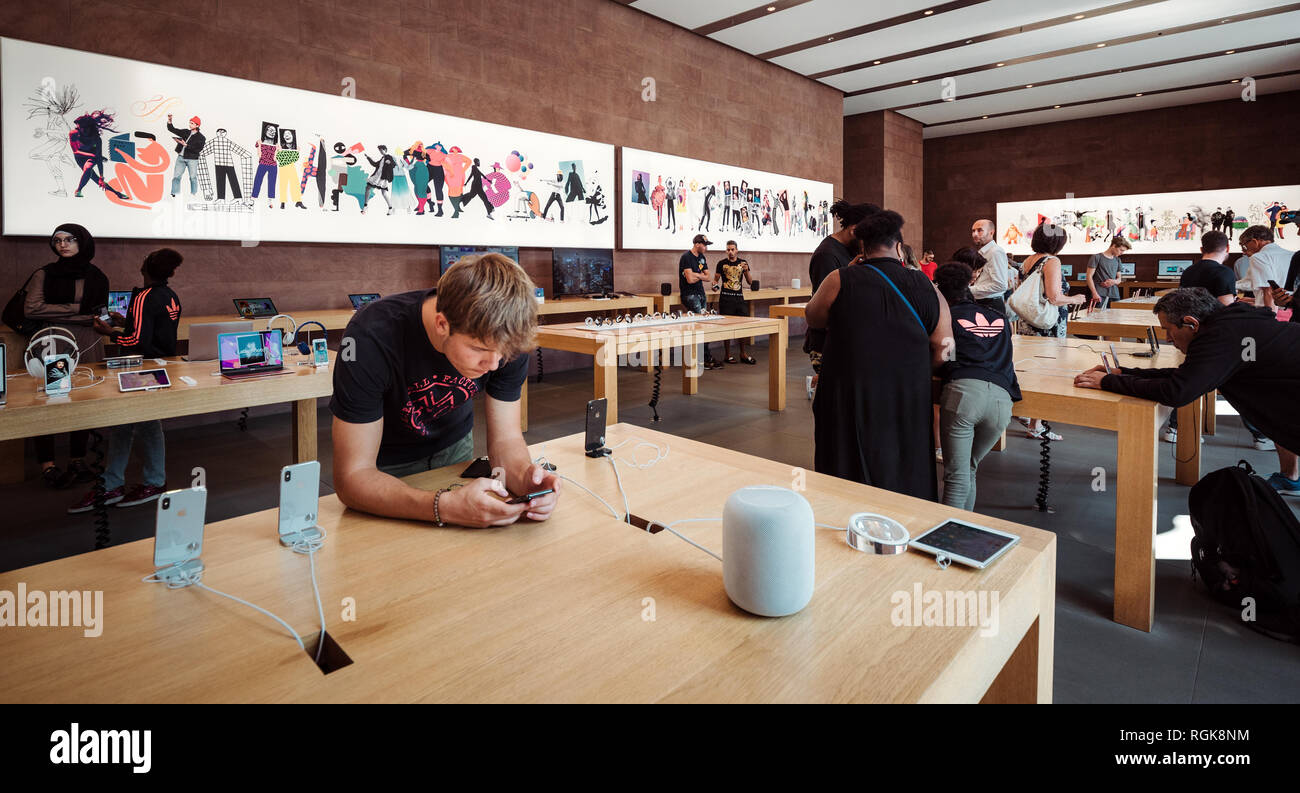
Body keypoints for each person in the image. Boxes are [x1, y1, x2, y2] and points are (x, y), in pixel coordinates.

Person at [329, 253, 560, 527]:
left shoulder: (505, 339)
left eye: (503, 353)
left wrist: (525, 480)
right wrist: (444, 507)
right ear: (442, 324)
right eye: (479, 349)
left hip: (454, 453)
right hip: (385, 468)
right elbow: (353, 477)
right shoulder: (371, 336)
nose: (493, 363)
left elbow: (506, 440)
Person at [1074, 288, 1300, 495]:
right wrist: (1122, 372)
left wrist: (1107, 383)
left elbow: (1177, 391)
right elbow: (1187, 375)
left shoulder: (1222, 336)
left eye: (1169, 331)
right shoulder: (1228, 324)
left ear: (1191, 323)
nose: (1168, 339)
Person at [806, 210, 952, 500]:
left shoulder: (839, 279)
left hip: (848, 391)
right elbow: (944, 344)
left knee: (846, 458)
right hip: (905, 391)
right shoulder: (925, 285)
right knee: (903, 457)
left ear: (862, 248)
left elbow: (813, 318)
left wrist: (848, 270)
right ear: (899, 247)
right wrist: (923, 370)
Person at [70, 249, 185, 512]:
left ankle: (118, 485)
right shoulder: (170, 296)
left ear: (144, 267)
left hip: (139, 367)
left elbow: (137, 342)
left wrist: (110, 332)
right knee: (145, 424)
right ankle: (140, 482)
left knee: (128, 424)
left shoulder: (145, 296)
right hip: (159, 366)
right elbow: (154, 331)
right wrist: (129, 321)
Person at [24, 223, 109, 489]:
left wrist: (108, 320)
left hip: (88, 342)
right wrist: (76, 311)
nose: (63, 244)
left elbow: (100, 313)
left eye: (70, 239)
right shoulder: (44, 274)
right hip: (56, 343)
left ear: (82, 242)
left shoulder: (97, 276)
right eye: (58, 240)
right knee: (51, 400)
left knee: (84, 400)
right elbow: (32, 309)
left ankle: (77, 459)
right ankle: (48, 464)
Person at [932, 262, 1021, 510]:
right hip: (1002, 403)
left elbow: (945, 354)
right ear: (970, 284)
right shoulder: (1000, 319)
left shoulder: (946, 318)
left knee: (956, 478)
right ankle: (962, 535)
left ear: (939, 289)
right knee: (969, 469)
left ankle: (947, 543)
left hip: (964, 396)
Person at [1161, 230, 1251, 444]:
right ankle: (1259, 433)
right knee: (1231, 379)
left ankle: (1175, 426)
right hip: (1217, 334)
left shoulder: (1189, 272)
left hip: (1191, 332)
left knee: (1193, 377)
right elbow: (1226, 306)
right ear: (1227, 249)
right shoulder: (1225, 273)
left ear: (1202, 249)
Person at [1017, 222, 1087, 441]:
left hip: (1028, 322)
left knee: (1029, 369)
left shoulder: (1028, 261)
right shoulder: (1052, 261)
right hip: (1048, 325)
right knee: (1046, 373)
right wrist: (1075, 299)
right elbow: (1054, 296)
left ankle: (1028, 414)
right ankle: (1037, 425)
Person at [804, 199, 877, 396]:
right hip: (828, 341)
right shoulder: (827, 255)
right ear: (854, 231)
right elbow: (827, 304)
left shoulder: (850, 251)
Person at [679, 234, 719, 369]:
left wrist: (695, 275)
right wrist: (700, 276)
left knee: (704, 324)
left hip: (701, 294)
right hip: (690, 294)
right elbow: (689, 280)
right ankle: (704, 358)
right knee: (701, 325)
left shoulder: (702, 258)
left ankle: (705, 357)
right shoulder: (686, 258)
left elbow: (708, 277)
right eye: (704, 245)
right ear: (697, 244)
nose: (706, 247)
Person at [713, 241, 754, 364]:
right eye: (728, 249)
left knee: (743, 326)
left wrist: (746, 271)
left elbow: (750, 282)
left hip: (739, 299)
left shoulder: (743, 263)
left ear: (737, 250)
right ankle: (727, 354)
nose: (730, 252)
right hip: (726, 299)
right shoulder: (721, 264)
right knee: (727, 327)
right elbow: (715, 280)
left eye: (732, 249)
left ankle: (743, 353)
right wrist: (714, 285)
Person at [1239, 224, 1292, 312]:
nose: (1244, 252)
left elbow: (1269, 291)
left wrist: (1270, 320)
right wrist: (1256, 301)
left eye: (1244, 246)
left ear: (1254, 241)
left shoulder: (1258, 257)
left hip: (1273, 314)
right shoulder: (1292, 255)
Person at [969, 218, 1010, 314]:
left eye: (980, 230)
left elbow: (1000, 285)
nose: (975, 234)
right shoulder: (983, 252)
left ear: (991, 232)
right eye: (973, 231)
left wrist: (969, 290)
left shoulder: (995, 252)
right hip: (982, 303)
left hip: (991, 305)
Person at [166, 113, 205, 198]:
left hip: (192, 159)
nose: (190, 125)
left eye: (192, 123)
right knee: (176, 176)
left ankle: (193, 194)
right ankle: (175, 193)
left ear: (197, 125)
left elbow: (198, 149)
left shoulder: (201, 137)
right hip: (181, 157)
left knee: (192, 177)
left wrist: (186, 145)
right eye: (189, 122)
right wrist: (170, 120)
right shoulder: (185, 132)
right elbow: (172, 129)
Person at [1086, 235, 1130, 308]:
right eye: (1121, 250)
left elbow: (1119, 279)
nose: (1122, 253)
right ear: (1114, 246)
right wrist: (1094, 293)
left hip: (1114, 295)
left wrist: (1114, 282)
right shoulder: (1096, 257)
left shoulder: (1117, 260)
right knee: (1098, 317)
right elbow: (1089, 276)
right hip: (1099, 294)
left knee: (1115, 318)